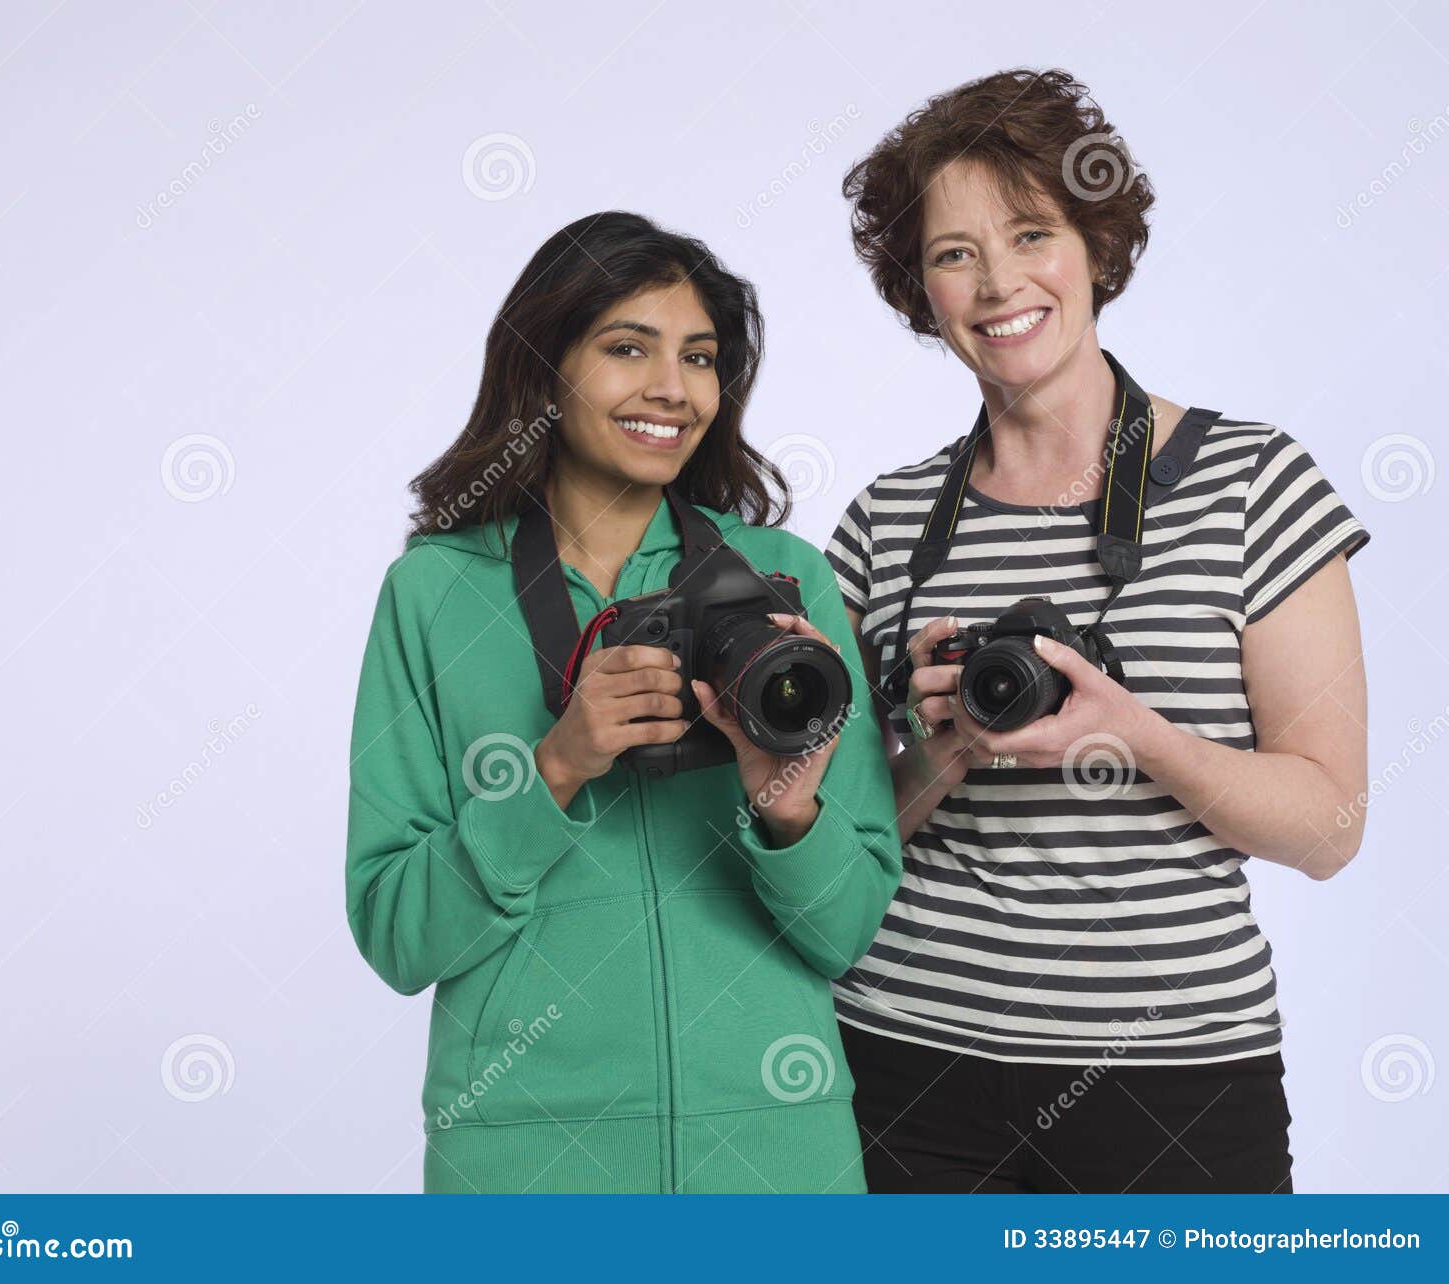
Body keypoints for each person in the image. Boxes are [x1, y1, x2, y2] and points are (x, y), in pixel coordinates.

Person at [824, 69, 1370, 1193]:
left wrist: (1136, 737)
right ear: (918, 288)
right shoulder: (882, 523)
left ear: (1095, 246)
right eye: (952, 253)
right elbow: (830, 837)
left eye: (1031, 233)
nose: (998, 282)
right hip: (902, 1065)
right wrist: (945, 750)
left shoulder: (1249, 482)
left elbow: (1328, 826)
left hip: (1172, 1083)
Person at [345, 211, 902, 1193]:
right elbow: (397, 934)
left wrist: (785, 804)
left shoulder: (785, 584)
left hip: (775, 1161)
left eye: (698, 357)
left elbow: (844, 928)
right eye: (625, 348)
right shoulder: (433, 593)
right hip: (524, 1159)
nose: (669, 389)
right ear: (543, 367)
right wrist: (553, 768)